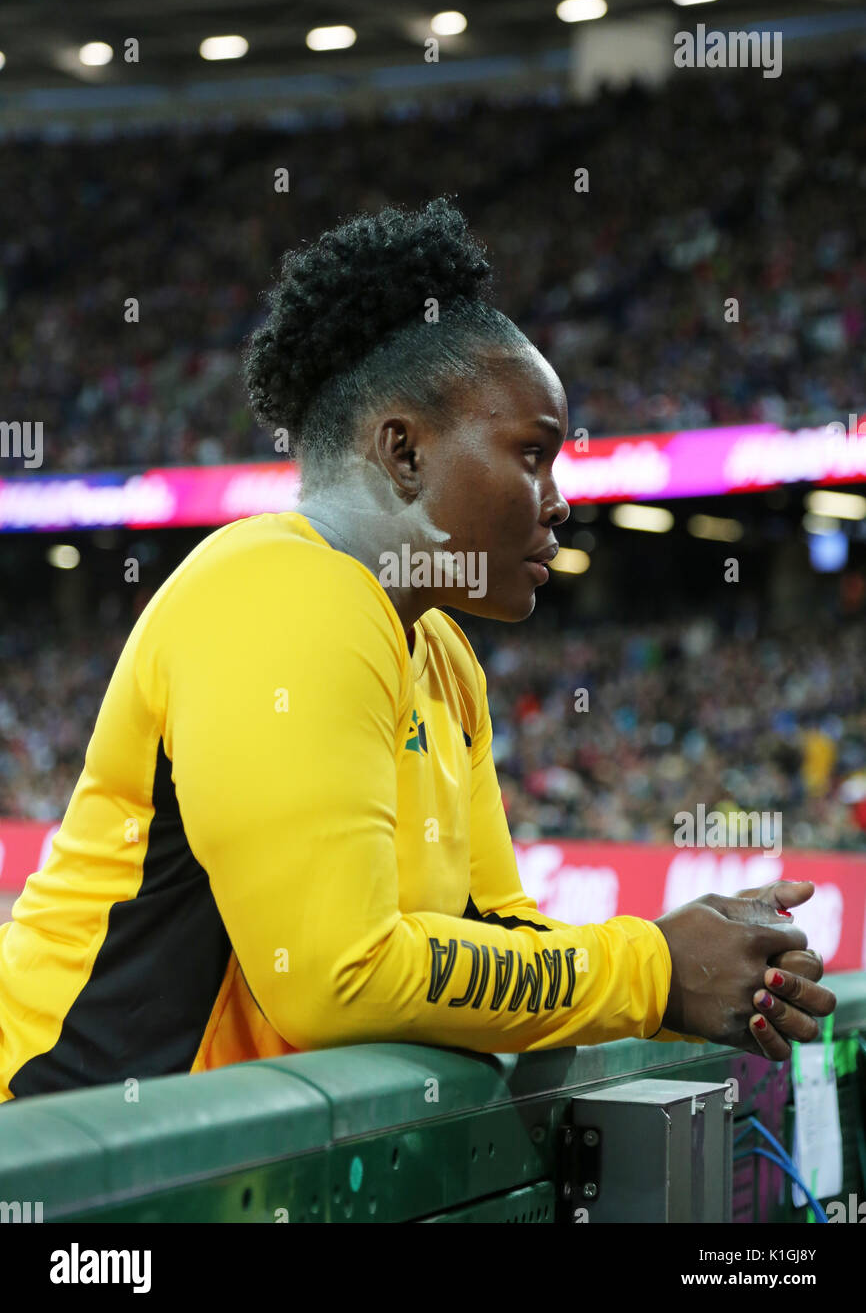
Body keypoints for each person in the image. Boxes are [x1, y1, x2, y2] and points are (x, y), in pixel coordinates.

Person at [0, 197, 833, 1102]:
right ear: (403, 453)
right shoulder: (281, 591)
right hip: (67, 1155)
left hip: (209, 1155)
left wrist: (689, 948)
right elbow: (339, 976)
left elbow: (486, 927)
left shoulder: (439, 651)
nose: (560, 502)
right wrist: (652, 971)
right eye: (532, 454)